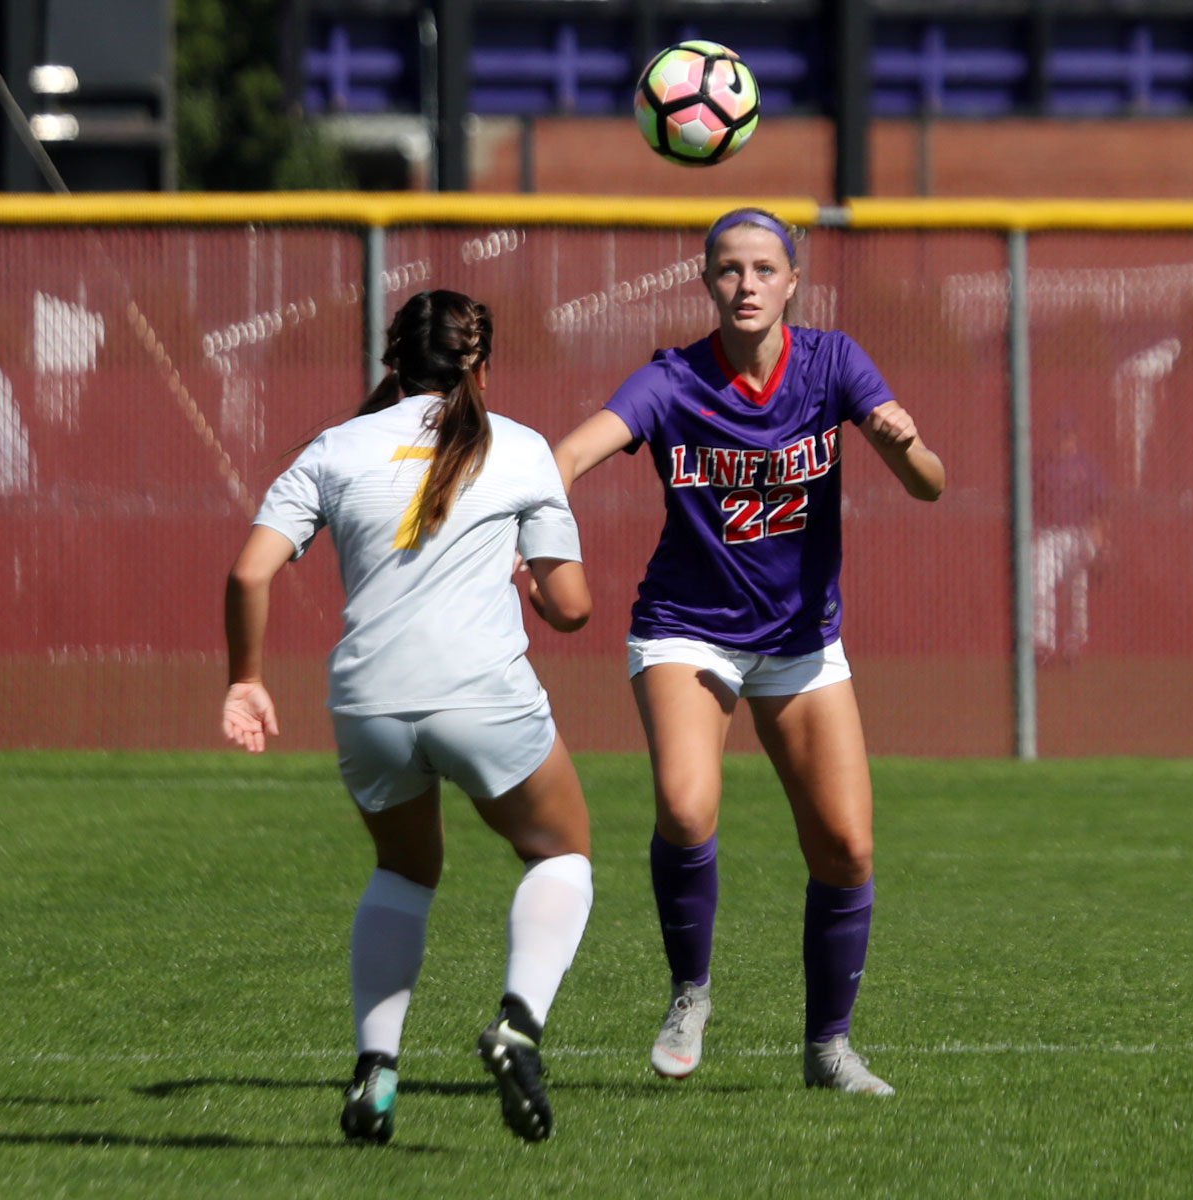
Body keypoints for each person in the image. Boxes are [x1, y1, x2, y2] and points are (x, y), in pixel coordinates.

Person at [551, 209, 945, 1095]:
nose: (747, 284)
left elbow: (931, 484)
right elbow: (568, 455)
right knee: (686, 808)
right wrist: (531, 534)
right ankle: (690, 993)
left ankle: (828, 1049)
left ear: (794, 282)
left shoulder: (833, 363)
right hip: (687, 626)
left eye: (766, 268)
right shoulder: (671, 380)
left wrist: (903, 445)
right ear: (706, 282)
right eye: (729, 269)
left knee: (846, 848)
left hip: (800, 640)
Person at [221, 290, 595, 1145]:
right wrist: (536, 591)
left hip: (369, 705)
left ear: (391, 363)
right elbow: (573, 608)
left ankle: (376, 1074)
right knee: (560, 852)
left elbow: (248, 574)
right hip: (483, 697)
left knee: (403, 872)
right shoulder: (521, 448)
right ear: (481, 368)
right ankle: (517, 1028)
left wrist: (246, 679)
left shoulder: (334, 448)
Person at [1032, 412, 1110, 666]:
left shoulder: (1087, 466)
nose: (1063, 437)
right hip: (1048, 534)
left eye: (1068, 432)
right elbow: (1032, 501)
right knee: (1040, 584)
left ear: (1075, 435)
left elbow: (1099, 504)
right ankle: (1043, 643)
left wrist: (1099, 538)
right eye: (1060, 432)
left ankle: (1074, 643)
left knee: (1077, 591)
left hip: (1079, 533)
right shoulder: (1042, 466)